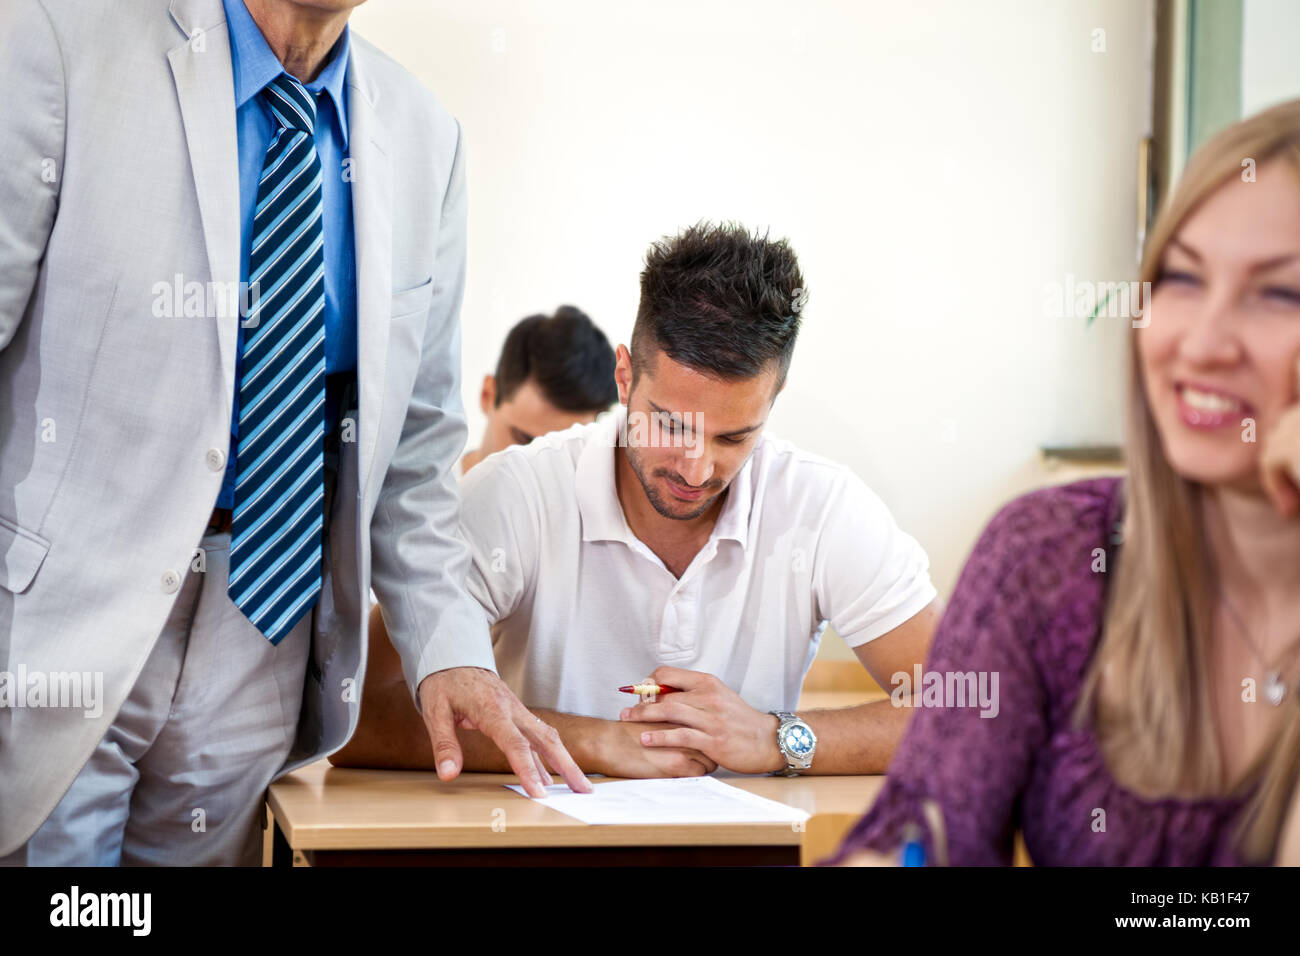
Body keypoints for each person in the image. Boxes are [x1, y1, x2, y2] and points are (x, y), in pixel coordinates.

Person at [0, 0, 586, 867]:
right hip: (62, 621)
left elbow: (417, 456)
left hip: (265, 630)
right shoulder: (56, 37)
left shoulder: (426, 137)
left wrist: (452, 652)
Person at [828, 99, 1300, 866]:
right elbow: (923, 837)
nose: (1204, 342)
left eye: (1280, 294)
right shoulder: (1051, 557)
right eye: (1181, 278)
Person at [333, 221, 942, 777]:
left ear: (772, 402)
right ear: (624, 379)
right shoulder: (516, 496)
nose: (697, 469)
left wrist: (778, 739)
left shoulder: (823, 508)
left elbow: (971, 701)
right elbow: (355, 716)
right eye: (672, 426)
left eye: (734, 436)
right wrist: (594, 742)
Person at [458, 305, 618, 477]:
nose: (539, 473)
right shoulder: (430, 496)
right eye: (524, 440)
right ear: (488, 395)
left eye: (565, 453)